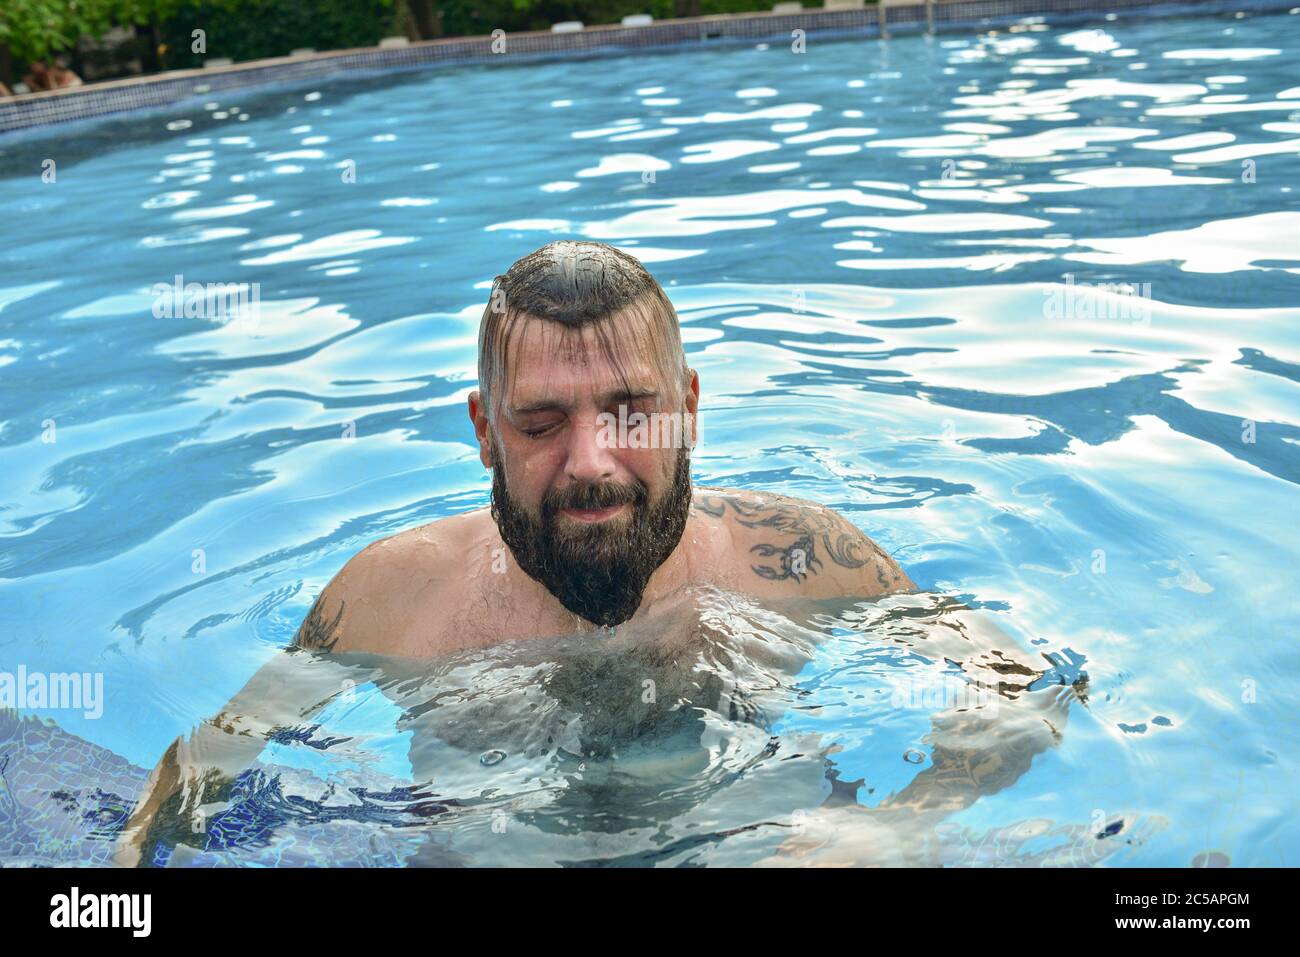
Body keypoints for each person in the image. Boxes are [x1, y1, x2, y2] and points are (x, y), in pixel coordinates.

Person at [113, 241, 938, 867]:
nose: (589, 463)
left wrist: (889, 830)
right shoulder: (386, 596)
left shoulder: (801, 556)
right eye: (541, 425)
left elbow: (1020, 693)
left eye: (631, 412)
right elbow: (208, 763)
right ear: (483, 431)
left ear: (688, 408)